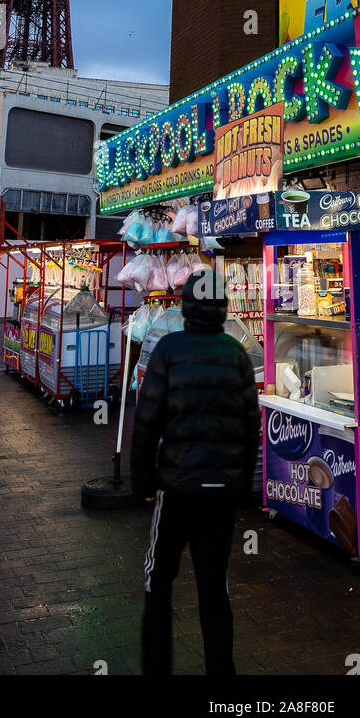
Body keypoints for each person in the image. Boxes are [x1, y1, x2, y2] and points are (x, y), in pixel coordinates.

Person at [131, 268, 260, 677]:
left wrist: (142, 482)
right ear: (223, 307)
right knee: (214, 587)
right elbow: (250, 427)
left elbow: (146, 420)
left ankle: (157, 667)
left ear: (185, 306)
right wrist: (242, 486)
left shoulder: (168, 350)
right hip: (220, 493)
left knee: (159, 579)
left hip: (177, 488)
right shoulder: (237, 354)